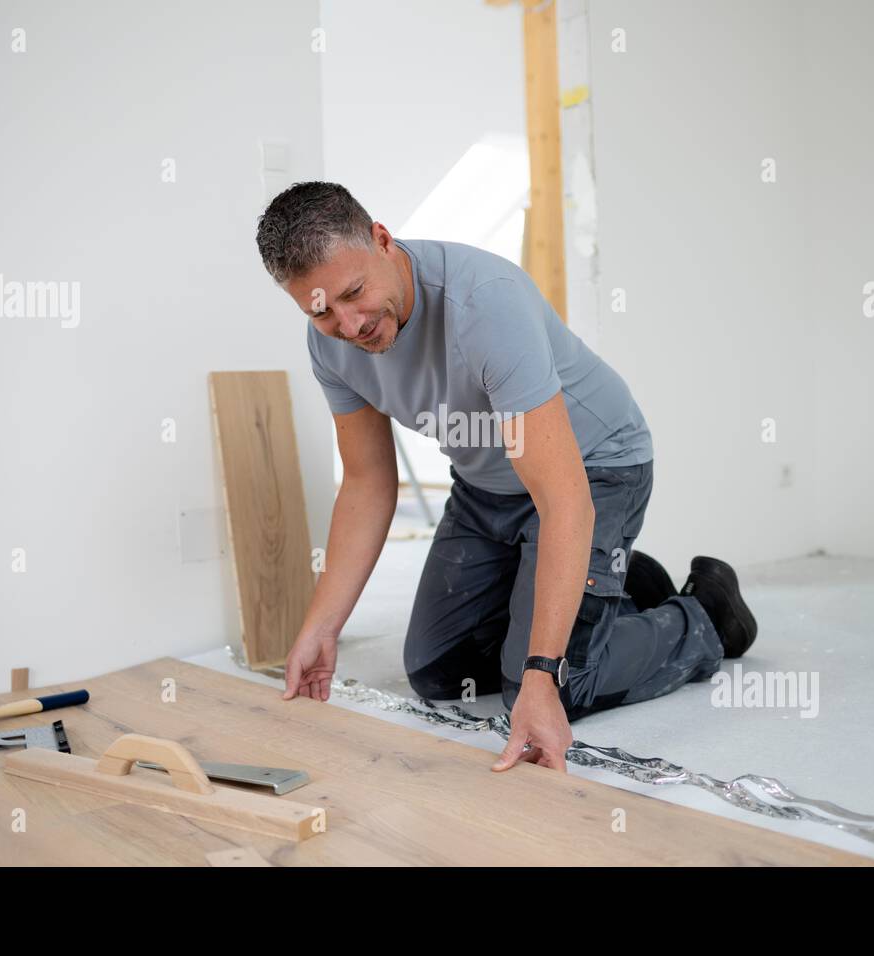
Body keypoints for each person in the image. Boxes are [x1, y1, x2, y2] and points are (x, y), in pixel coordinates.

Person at [256, 181, 757, 773]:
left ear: (383, 241)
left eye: (354, 293)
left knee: (546, 689)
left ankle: (703, 618)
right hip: (485, 487)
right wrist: (321, 626)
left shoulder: (484, 304)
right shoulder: (331, 346)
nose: (348, 324)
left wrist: (544, 673)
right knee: (441, 671)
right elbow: (367, 483)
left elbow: (562, 495)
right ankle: (615, 586)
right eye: (320, 311)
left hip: (594, 469)